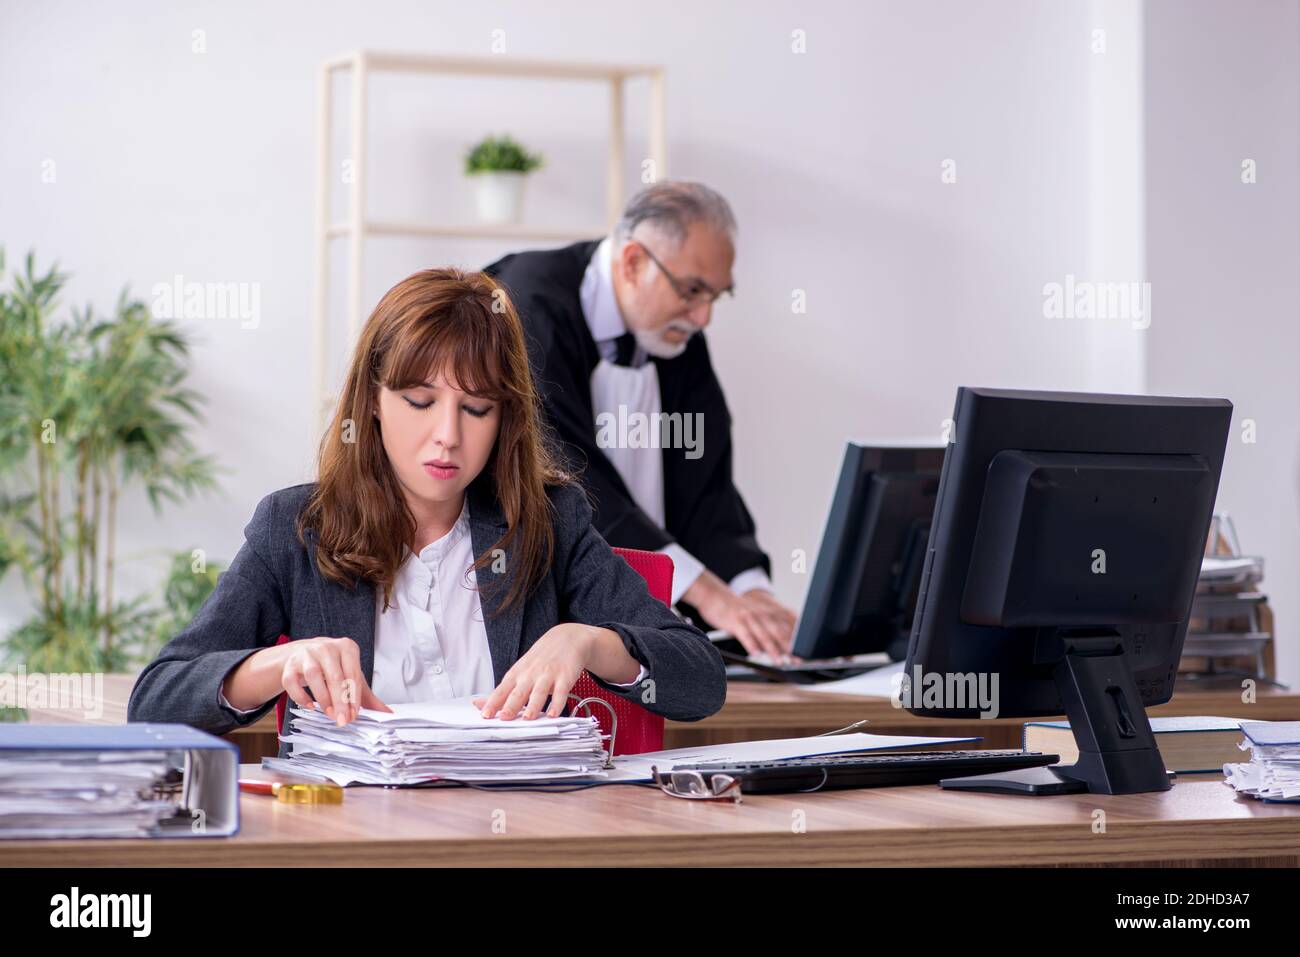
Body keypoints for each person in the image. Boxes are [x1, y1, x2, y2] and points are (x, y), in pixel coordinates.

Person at [127, 268, 726, 754]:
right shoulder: (295, 528)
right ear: (375, 402)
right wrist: (277, 663)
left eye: (477, 409)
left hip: (515, 839)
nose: (447, 436)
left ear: (504, 420)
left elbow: (701, 679)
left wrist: (589, 643)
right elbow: (154, 701)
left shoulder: (548, 521)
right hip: (353, 845)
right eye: (419, 401)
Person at [485, 181, 797, 659]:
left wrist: (751, 592)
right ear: (632, 262)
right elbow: (567, 475)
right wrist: (710, 596)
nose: (704, 316)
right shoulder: (528, 303)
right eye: (692, 291)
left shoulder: (675, 331)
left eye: (717, 295)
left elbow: (705, 479)